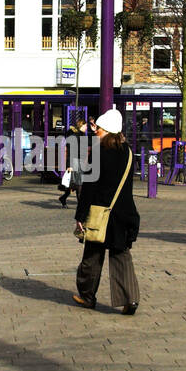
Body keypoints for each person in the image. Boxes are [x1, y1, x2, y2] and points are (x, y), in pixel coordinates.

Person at [73, 109, 140, 314]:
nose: (96, 132)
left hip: (100, 213)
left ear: (108, 130)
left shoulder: (99, 152)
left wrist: (80, 216)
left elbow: (89, 188)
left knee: (92, 256)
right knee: (121, 255)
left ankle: (87, 296)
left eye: (99, 128)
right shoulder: (128, 152)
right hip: (123, 212)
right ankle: (130, 299)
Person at [59, 119, 85, 207]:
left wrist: (94, 131)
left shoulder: (81, 135)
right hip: (74, 162)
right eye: (85, 126)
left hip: (79, 162)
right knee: (79, 184)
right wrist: (69, 165)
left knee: (74, 184)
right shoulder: (74, 136)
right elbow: (70, 151)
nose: (86, 128)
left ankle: (63, 198)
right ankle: (80, 204)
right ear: (81, 126)